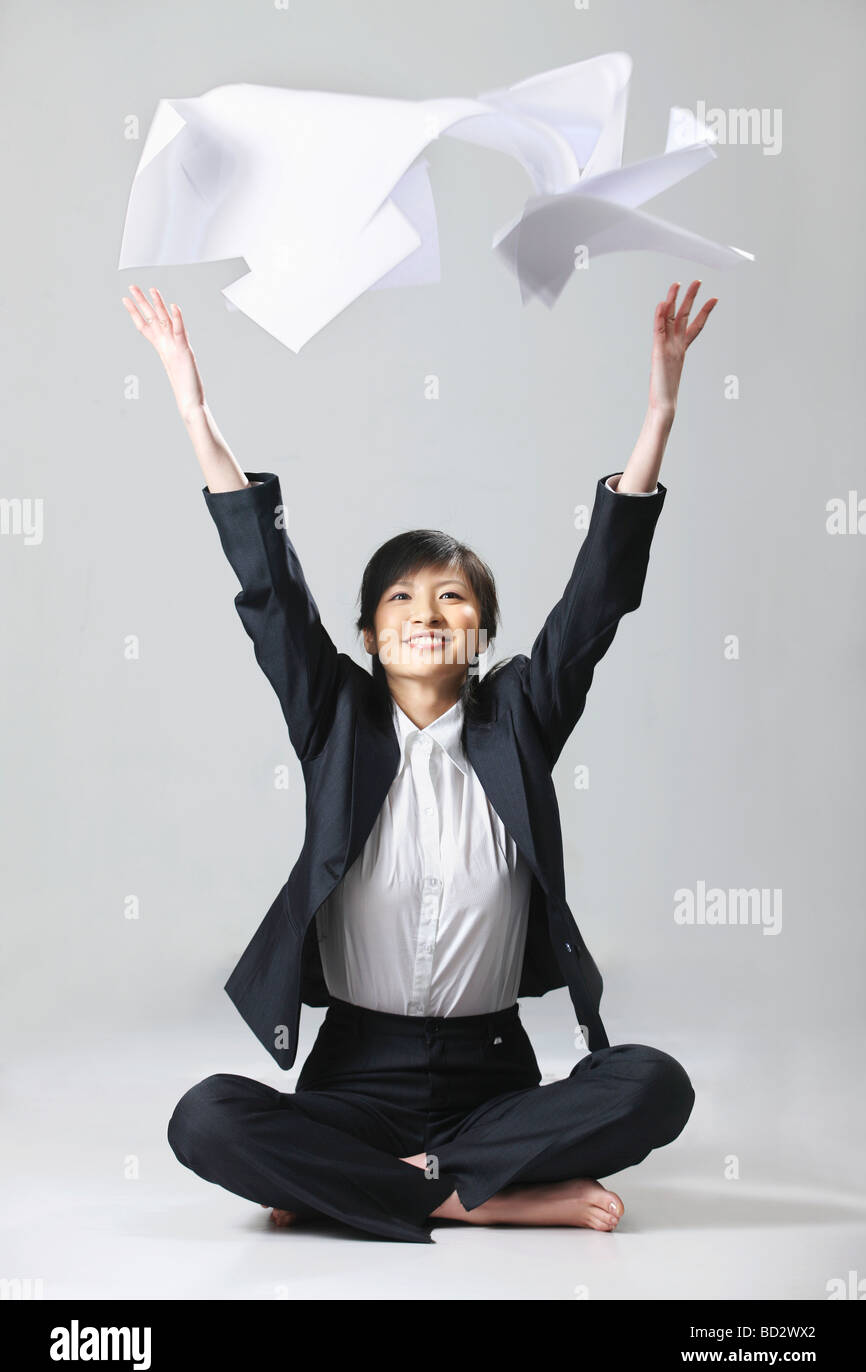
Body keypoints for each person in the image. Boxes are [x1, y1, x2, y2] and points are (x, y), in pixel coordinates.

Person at [122, 279, 716, 1242]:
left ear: (480, 633)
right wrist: (196, 411)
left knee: (653, 1083)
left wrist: (658, 416)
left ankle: (375, 1186)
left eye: (452, 598)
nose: (428, 614)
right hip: (357, 1075)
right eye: (402, 599)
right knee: (208, 1116)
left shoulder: (521, 713)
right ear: (367, 634)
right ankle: (471, 1196)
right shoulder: (335, 719)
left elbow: (595, 605)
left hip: (493, 1078)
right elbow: (270, 588)